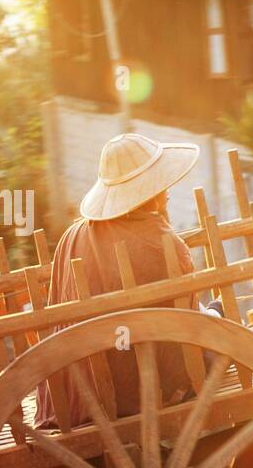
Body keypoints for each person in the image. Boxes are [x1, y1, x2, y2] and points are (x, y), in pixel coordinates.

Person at [35, 132, 201, 427]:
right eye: (161, 183)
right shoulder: (162, 243)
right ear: (151, 191)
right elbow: (184, 328)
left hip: (71, 393)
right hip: (134, 389)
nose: (168, 190)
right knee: (216, 319)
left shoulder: (70, 236)